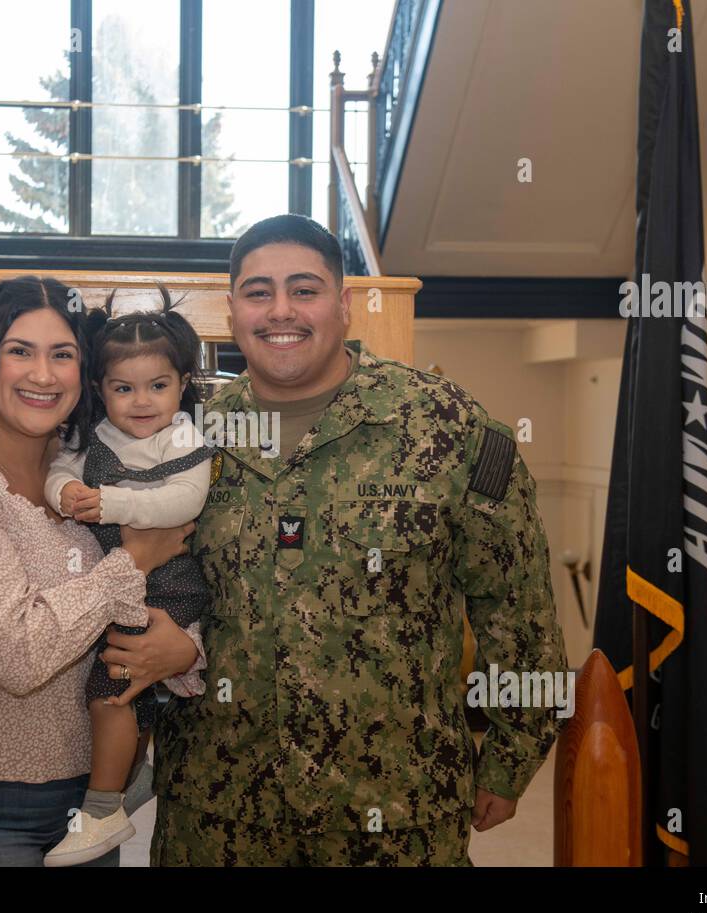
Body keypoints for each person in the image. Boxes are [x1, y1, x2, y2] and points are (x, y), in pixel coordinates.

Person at [152, 215, 570, 866]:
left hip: (393, 816)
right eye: (259, 292)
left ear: (343, 306)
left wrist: (512, 760)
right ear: (233, 310)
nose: (281, 310)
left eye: (305, 289)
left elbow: (520, 613)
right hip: (218, 815)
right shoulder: (189, 440)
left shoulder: (447, 427)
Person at [0, 275, 202, 867]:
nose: (43, 375)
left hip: (86, 798)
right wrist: (134, 559)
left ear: (86, 375)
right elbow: (19, 653)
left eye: (63, 355)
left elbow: (156, 598)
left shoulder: (89, 472)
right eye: (20, 351)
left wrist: (182, 651)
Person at [41, 288, 213, 866]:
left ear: (181, 384)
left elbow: (182, 503)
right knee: (120, 695)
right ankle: (128, 783)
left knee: (110, 691)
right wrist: (64, 491)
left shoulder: (186, 439)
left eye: (157, 386)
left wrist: (109, 504)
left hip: (169, 588)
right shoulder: (91, 441)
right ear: (100, 390)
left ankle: (100, 809)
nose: (141, 402)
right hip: (116, 586)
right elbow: (57, 473)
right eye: (123, 388)